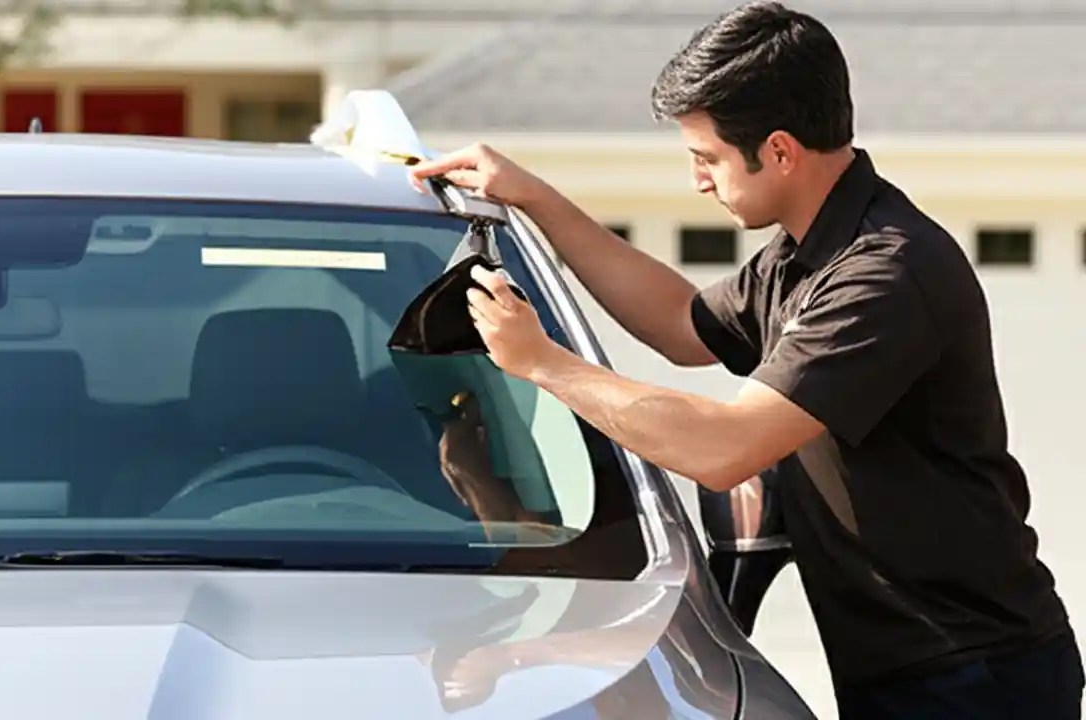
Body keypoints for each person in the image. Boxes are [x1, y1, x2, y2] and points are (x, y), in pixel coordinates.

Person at [410, 1, 1082, 717]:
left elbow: (722, 448)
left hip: (977, 677)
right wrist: (536, 198)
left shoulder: (884, 273)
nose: (699, 180)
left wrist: (543, 364)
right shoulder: (801, 258)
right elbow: (680, 324)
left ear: (782, 151)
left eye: (708, 159)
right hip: (916, 667)